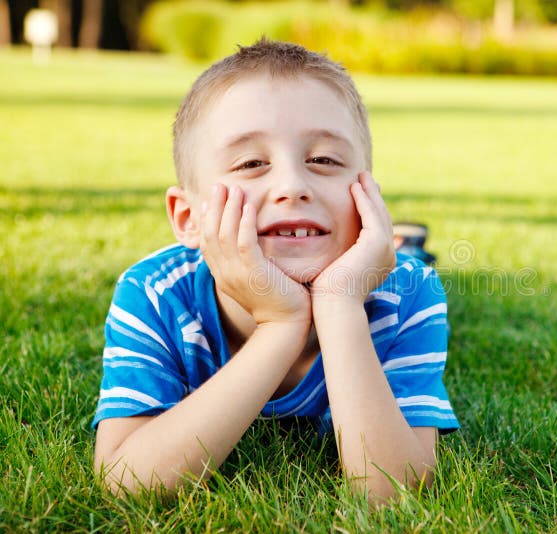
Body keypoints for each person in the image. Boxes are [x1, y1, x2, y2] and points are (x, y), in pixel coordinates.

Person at [92, 39, 459, 504]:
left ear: (368, 193)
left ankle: (404, 245)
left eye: (323, 160)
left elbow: (393, 494)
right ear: (188, 218)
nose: (292, 185)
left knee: (409, 263)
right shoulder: (152, 292)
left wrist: (341, 304)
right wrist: (281, 326)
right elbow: (128, 483)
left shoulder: (410, 293)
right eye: (251, 163)